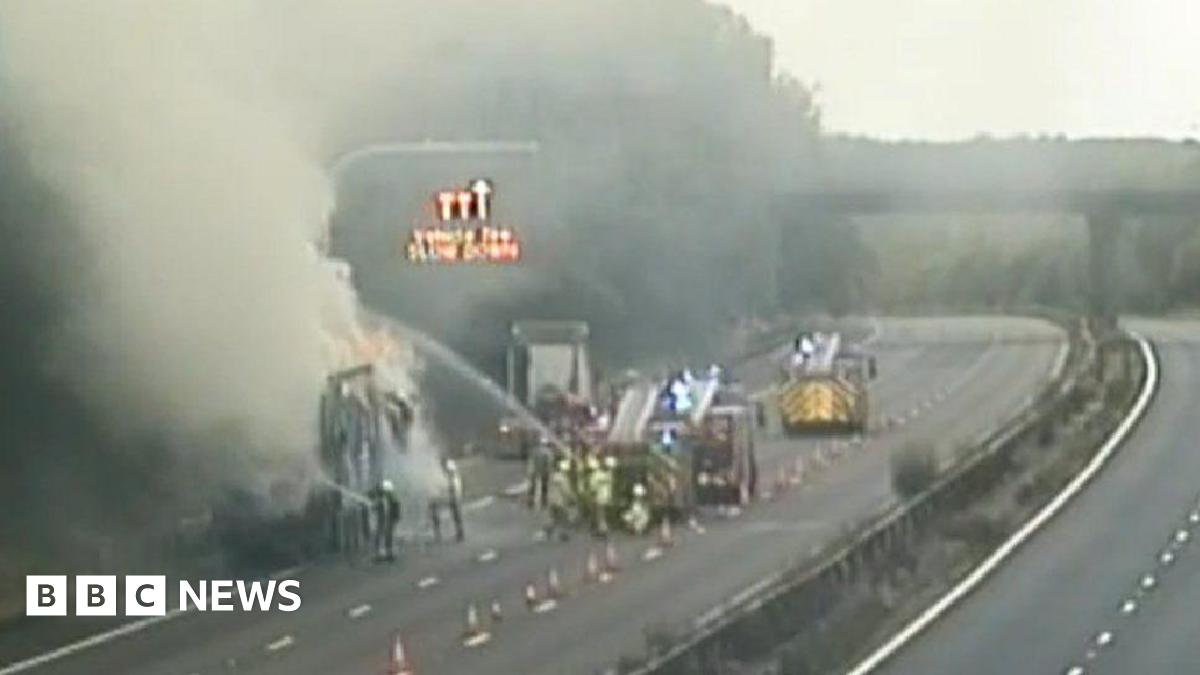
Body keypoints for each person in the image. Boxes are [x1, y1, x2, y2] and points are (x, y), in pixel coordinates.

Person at [429, 457, 465, 542]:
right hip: (447, 493)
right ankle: (438, 533)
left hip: (452, 493)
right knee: (434, 507)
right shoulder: (443, 470)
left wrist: (443, 489)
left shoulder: (451, 471)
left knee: (455, 512)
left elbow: (452, 484)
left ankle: (459, 532)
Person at [368, 479, 401, 561]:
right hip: (384, 519)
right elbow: (371, 497)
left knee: (385, 536)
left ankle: (386, 554)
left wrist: (396, 517)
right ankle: (382, 554)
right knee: (381, 535)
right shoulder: (383, 497)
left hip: (388, 518)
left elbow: (396, 506)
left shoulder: (389, 497)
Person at [546, 459, 574, 541]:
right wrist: (571, 498)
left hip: (551, 500)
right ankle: (563, 534)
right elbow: (566, 490)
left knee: (554, 518)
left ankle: (548, 530)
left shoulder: (551, 477)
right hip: (560, 501)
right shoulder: (563, 478)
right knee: (564, 518)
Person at [589, 455, 615, 536]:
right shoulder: (609, 474)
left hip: (599, 496)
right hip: (607, 495)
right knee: (603, 514)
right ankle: (602, 529)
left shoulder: (596, 475)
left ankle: (602, 530)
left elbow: (593, 488)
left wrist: (592, 497)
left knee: (600, 515)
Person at [527, 439, 554, 510]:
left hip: (534, 470)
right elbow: (549, 463)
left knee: (533, 486)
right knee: (544, 487)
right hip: (544, 471)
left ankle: (531, 501)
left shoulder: (535, 451)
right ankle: (544, 501)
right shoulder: (548, 452)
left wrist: (530, 471)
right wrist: (549, 471)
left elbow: (531, 461)